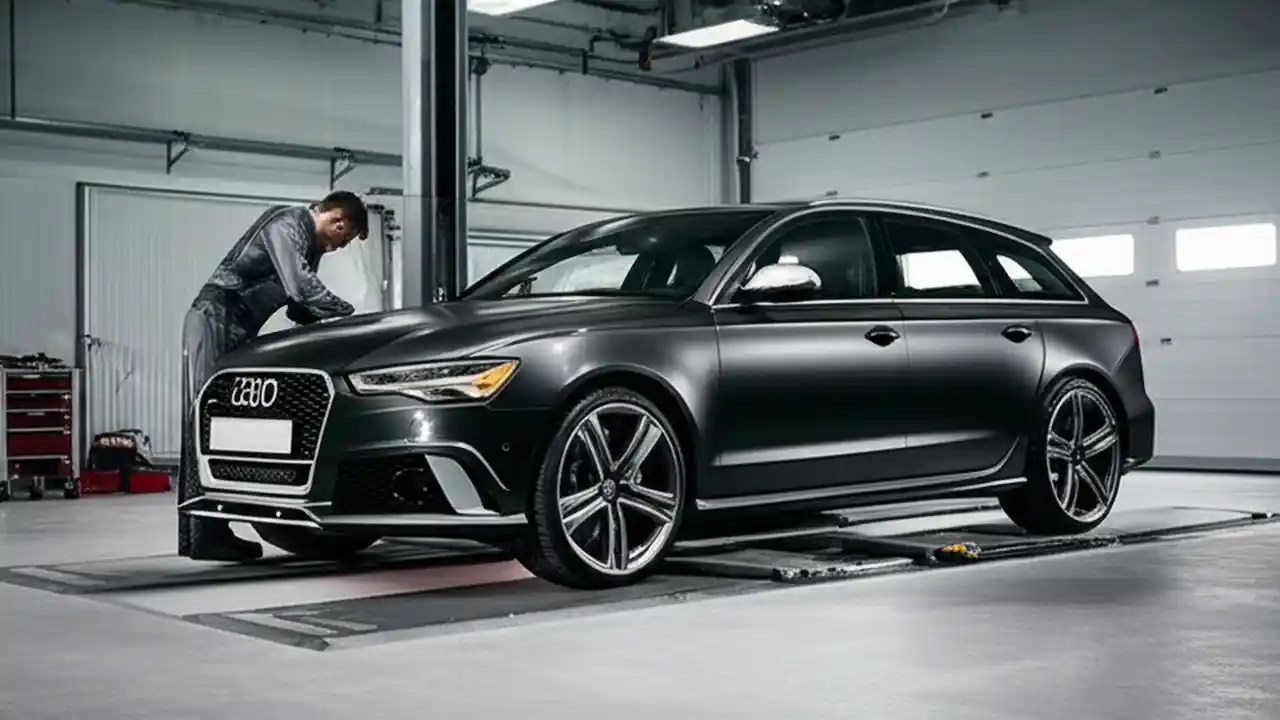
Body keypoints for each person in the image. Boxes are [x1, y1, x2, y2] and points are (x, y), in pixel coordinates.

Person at [177, 191, 368, 561]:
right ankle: (204, 536)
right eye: (343, 240)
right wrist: (349, 314)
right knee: (204, 422)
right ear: (339, 222)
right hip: (215, 318)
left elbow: (300, 308)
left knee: (231, 425)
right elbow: (301, 287)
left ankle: (219, 526)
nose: (338, 247)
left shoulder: (308, 246)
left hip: (239, 330)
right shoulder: (287, 223)